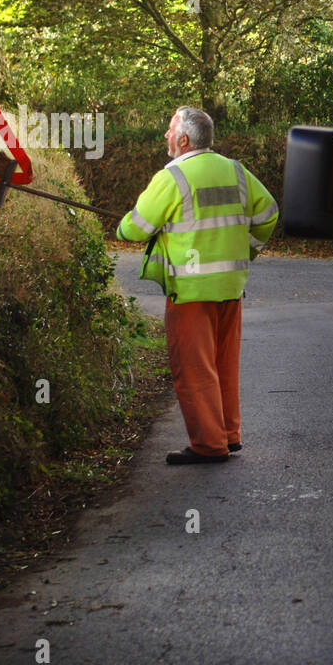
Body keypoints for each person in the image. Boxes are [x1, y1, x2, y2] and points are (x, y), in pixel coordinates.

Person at [115, 107, 279, 464]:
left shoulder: (172, 177)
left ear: (184, 140)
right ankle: (229, 435)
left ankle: (208, 445)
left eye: (169, 129)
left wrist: (123, 226)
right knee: (223, 364)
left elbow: (136, 228)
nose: (165, 136)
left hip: (190, 291)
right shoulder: (236, 171)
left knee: (194, 367)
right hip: (231, 287)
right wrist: (246, 251)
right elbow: (269, 212)